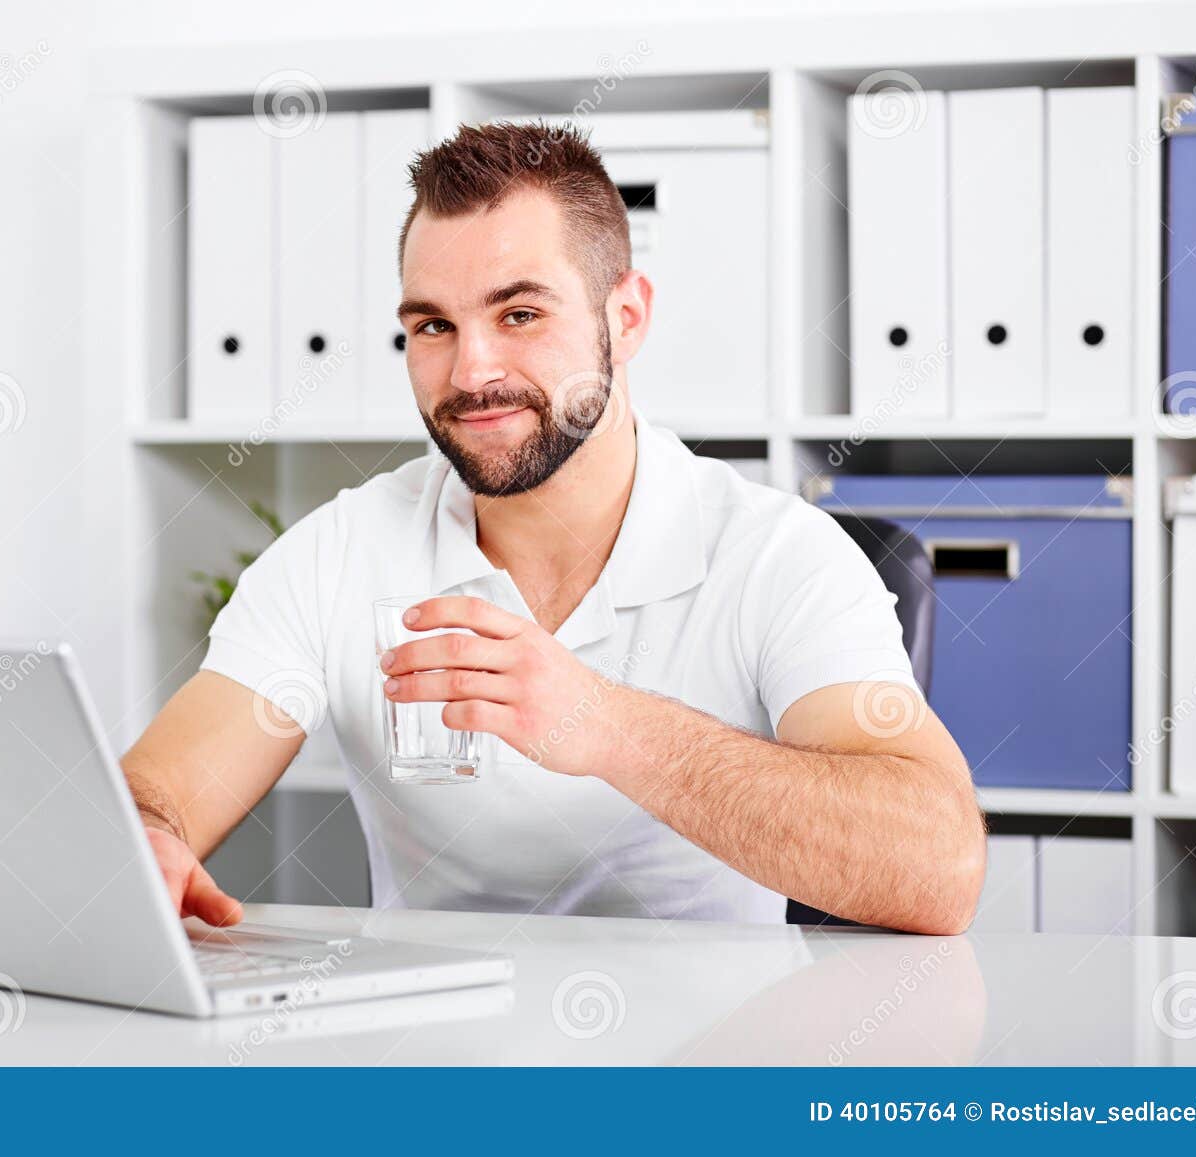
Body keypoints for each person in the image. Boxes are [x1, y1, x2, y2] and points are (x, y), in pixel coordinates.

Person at [123, 120, 984, 935]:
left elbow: (938, 867)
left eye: (520, 314)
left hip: (709, 1058)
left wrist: (605, 723)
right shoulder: (339, 551)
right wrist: (148, 839)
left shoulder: (776, 556)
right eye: (433, 325)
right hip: (439, 1059)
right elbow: (157, 795)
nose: (472, 371)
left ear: (627, 317)